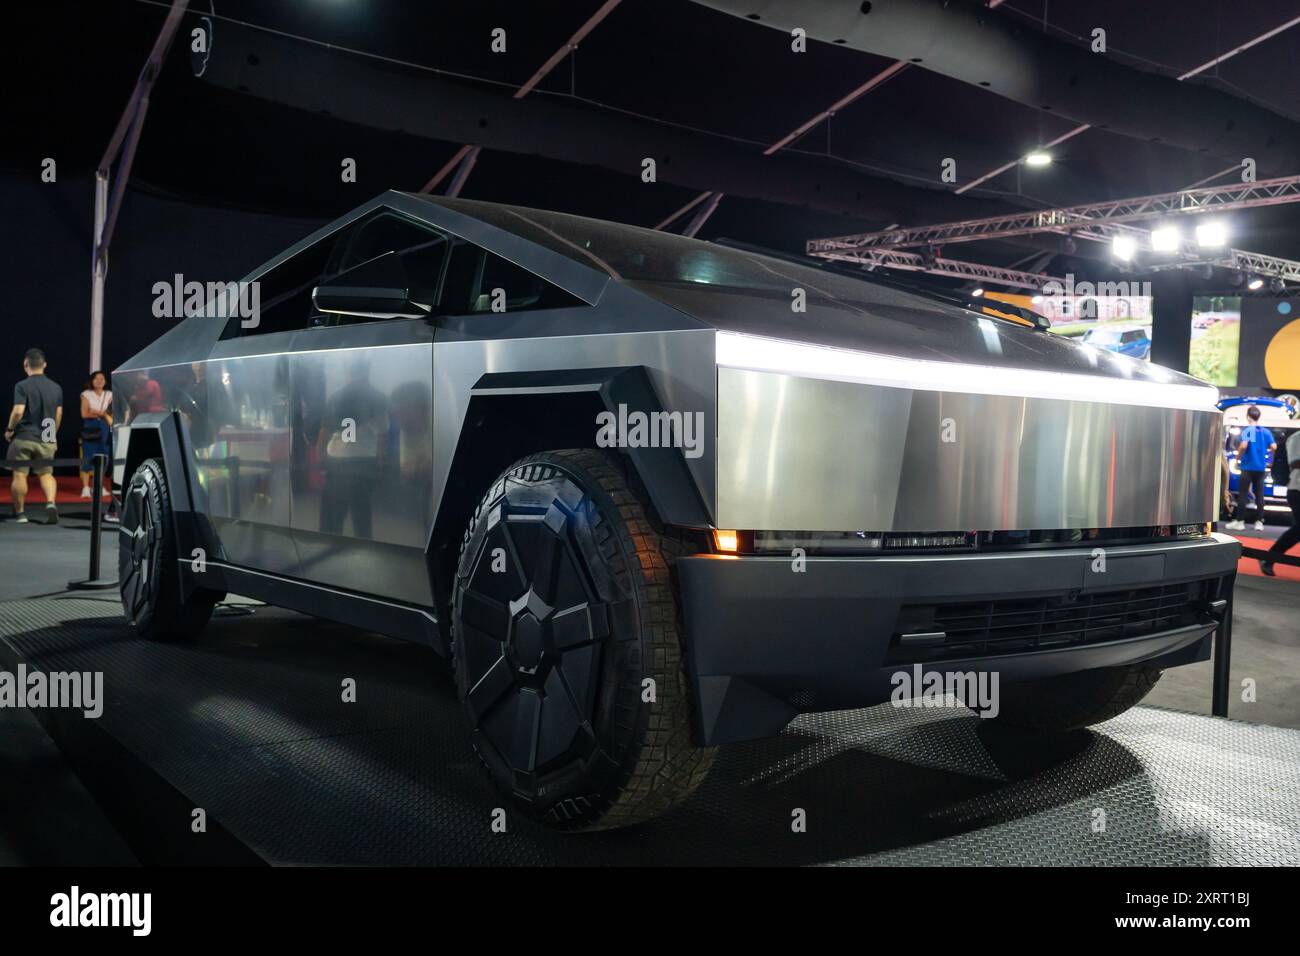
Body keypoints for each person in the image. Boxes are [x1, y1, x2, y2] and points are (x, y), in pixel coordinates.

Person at [4, 348, 63, 524]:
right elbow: (58, 414)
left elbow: (18, 411)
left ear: (25, 364)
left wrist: (9, 429)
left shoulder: (22, 386)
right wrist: (51, 436)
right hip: (46, 436)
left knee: (20, 474)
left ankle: (21, 514)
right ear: (44, 364)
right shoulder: (56, 387)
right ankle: (51, 503)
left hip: (24, 436)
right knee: (46, 474)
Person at [1226, 405, 1276, 532]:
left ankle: (1240, 522)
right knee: (1260, 495)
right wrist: (1271, 461)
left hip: (1248, 466)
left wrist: (1237, 459)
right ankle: (1259, 522)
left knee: (1243, 494)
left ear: (1248, 416)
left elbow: (1243, 446)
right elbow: (1274, 447)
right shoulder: (1265, 431)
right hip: (1260, 467)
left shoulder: (1249, 430)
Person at [1261, 428, 1300, 575]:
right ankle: (1269, 558)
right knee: (1299, 529)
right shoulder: (1296, 438)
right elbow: (1295, 462)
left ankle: (1269, 558)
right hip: (1297, 489)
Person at [79, 370, 112, 499]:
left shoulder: (110, 394)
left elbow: (109, 414)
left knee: (104, 457)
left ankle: (98, 486)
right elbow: (84, 414)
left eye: (102, 379)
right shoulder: (86, 394)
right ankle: (85, 487)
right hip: (90, 427)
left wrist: (97, 412)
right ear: (91, 381)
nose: (99, 381)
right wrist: (102, 413)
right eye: (96, 379)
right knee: (87, 456)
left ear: (105, 381)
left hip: (105, 428)